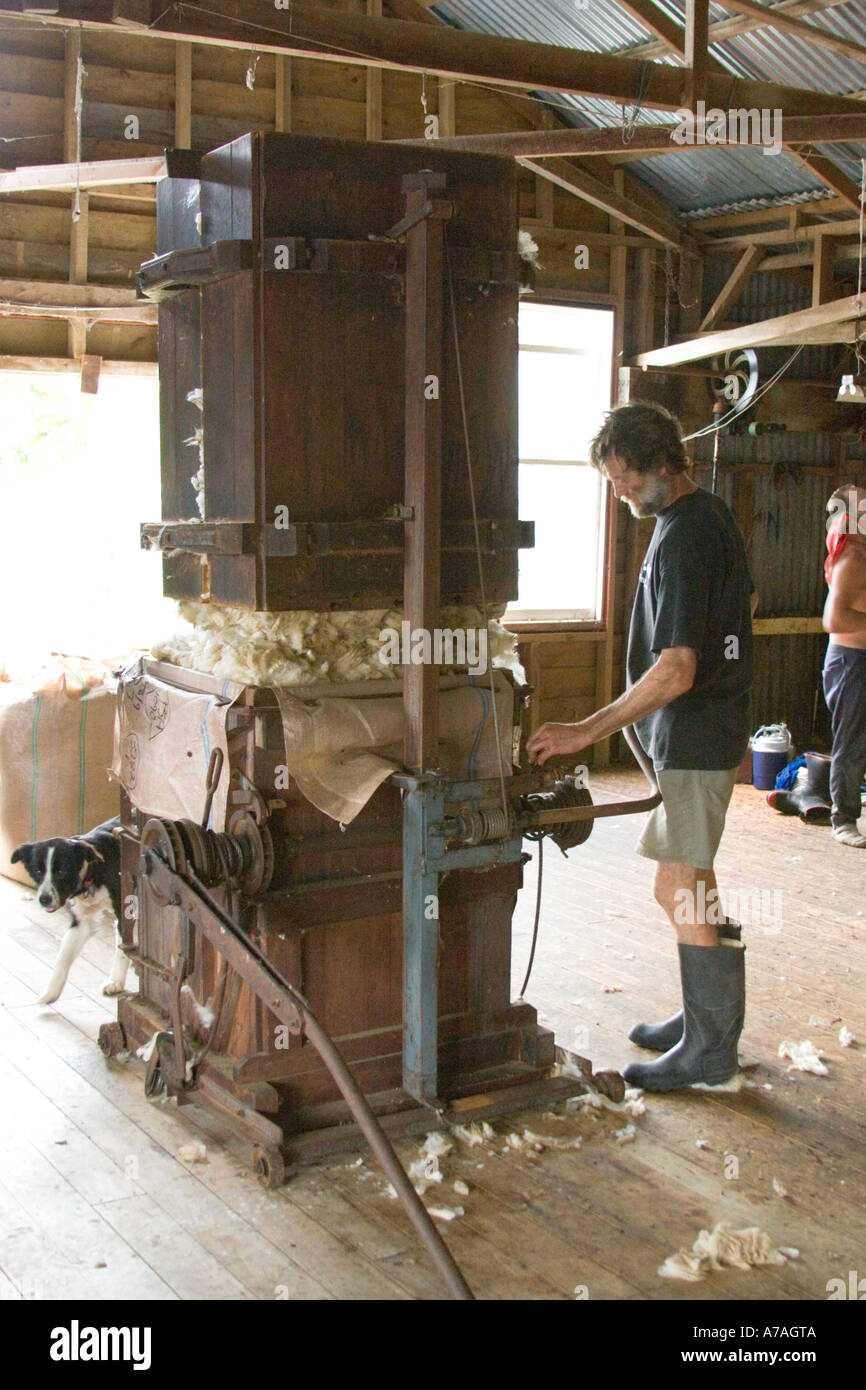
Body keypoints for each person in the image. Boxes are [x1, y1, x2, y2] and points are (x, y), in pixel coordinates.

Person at [526, 403, 755, 1093]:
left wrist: (583, 732)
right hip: (695, 736)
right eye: (610, 479)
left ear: (663, 462)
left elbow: (677, 668)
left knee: (675, 886)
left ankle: (711, 1053)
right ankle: (702, 1019)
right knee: (697, 881)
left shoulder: (687, 536)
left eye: (625, 476)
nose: (618, 490)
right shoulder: (691, 519)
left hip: (697, 735)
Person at [822, 483, 866, 847]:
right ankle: (844, 818)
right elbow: (833, 619)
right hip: (852, 662)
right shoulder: (852, 559)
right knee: (851, 743)